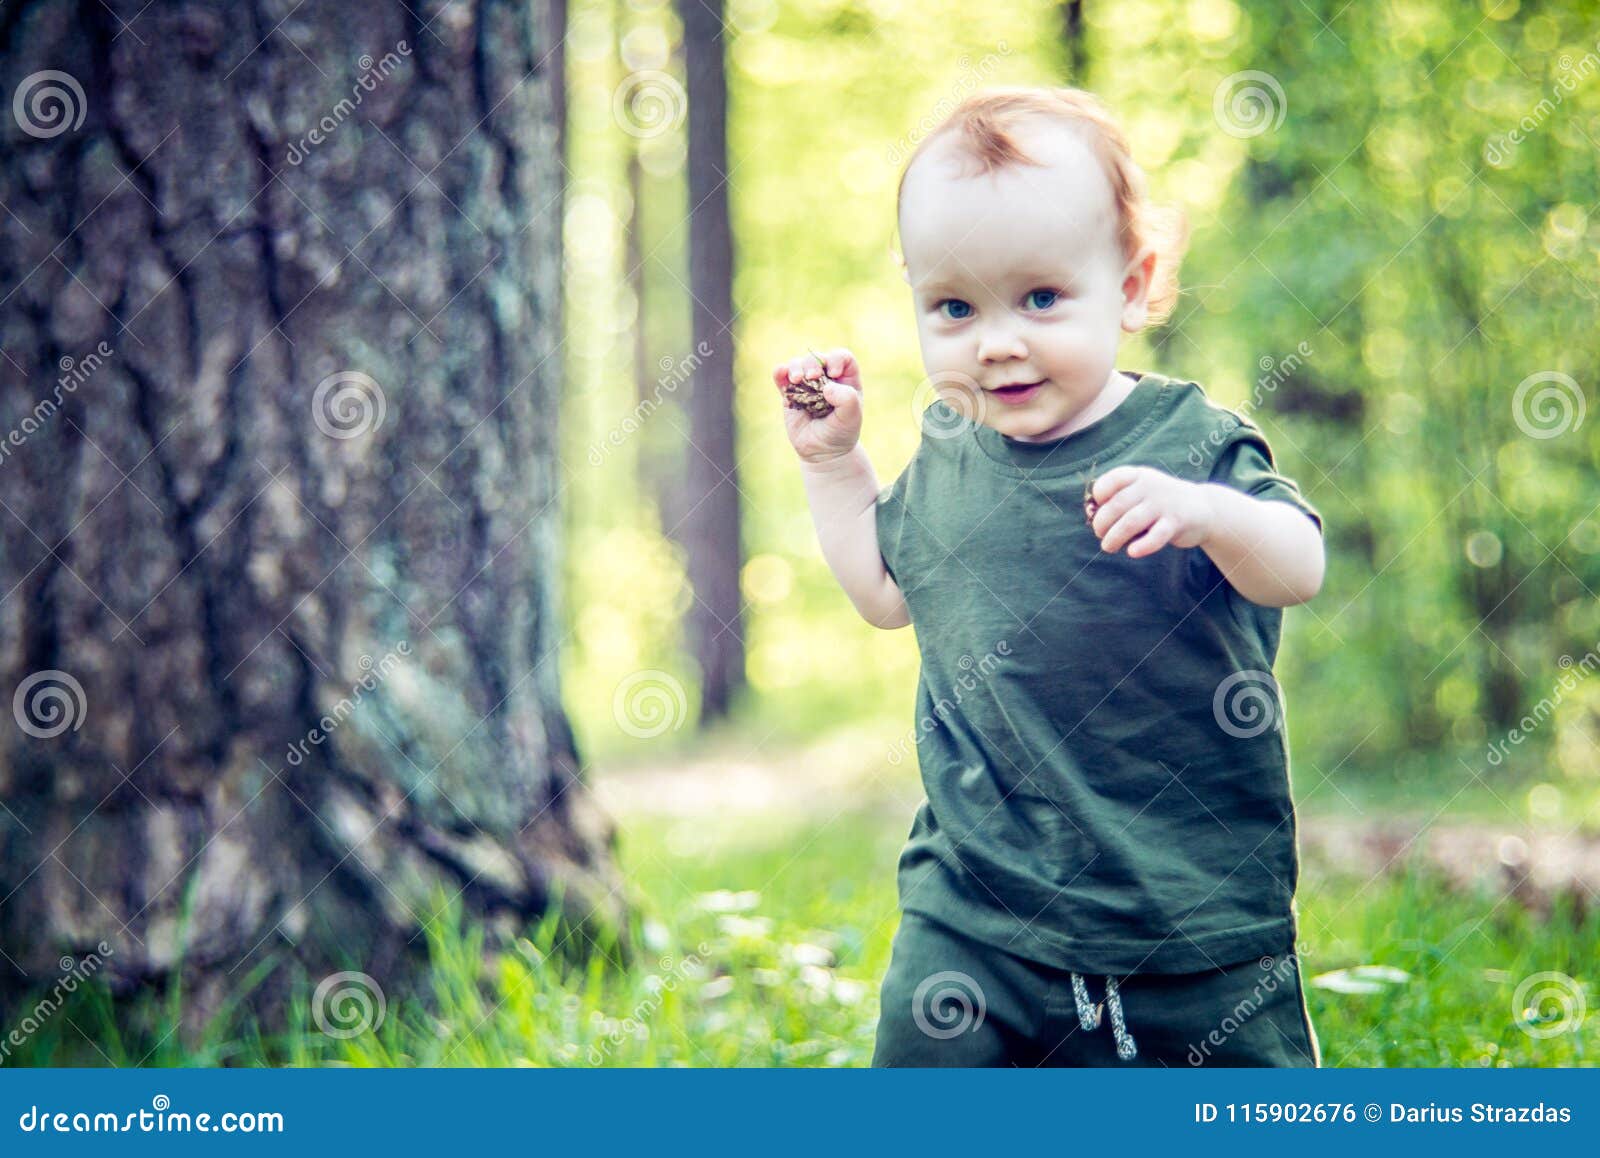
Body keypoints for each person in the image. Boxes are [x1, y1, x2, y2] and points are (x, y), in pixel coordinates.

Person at [772, 86, 1326, 1067]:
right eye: (953, 307)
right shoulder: (946, 452)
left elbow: (1297, 565)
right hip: (976, 914)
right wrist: (832, 467)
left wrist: (1207, 514)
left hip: (1192, 912)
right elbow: (883, 595)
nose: (996, 341)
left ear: (1131, 283)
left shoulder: (1189, 439)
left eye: (1039, 298)